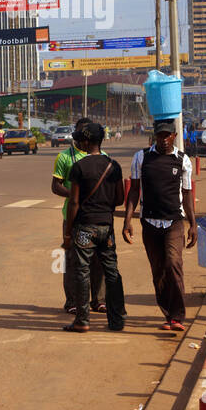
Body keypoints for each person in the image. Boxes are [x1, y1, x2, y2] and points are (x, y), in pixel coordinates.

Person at [124, 118, 197, 332]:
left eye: (167, 135)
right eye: (160, 135)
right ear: (154, 136)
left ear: (174, 136)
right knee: (158, 271)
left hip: (174, 222)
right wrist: (128, 220)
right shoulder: (141, 158)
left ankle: (177, 315)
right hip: (149, 222)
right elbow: (134, 190)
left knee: (173, 264)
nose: (163, 140)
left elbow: (187, 194)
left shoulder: (182, 160)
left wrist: (193, 223)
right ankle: (168, 313)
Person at [63, 121, 126, 332]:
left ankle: (82, 320)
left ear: (86, 141)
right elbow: (119, 199)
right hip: (106, 227)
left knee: (81, 271)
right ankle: (116, 319)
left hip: (84, 227)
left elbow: (74, 202)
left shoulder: (79, 167)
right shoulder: (113, 165)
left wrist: (68, 233)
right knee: (112, 271)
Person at [53, 116, 104, 315]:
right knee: (72, 260)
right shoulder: (64, 157)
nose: (83, 137)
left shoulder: (103, 157)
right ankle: (72, 301)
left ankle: (98, 300)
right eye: (81, 133)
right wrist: (74, 194)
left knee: (97, 260)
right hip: (73, 217)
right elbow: (55, 186)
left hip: (96, 217)